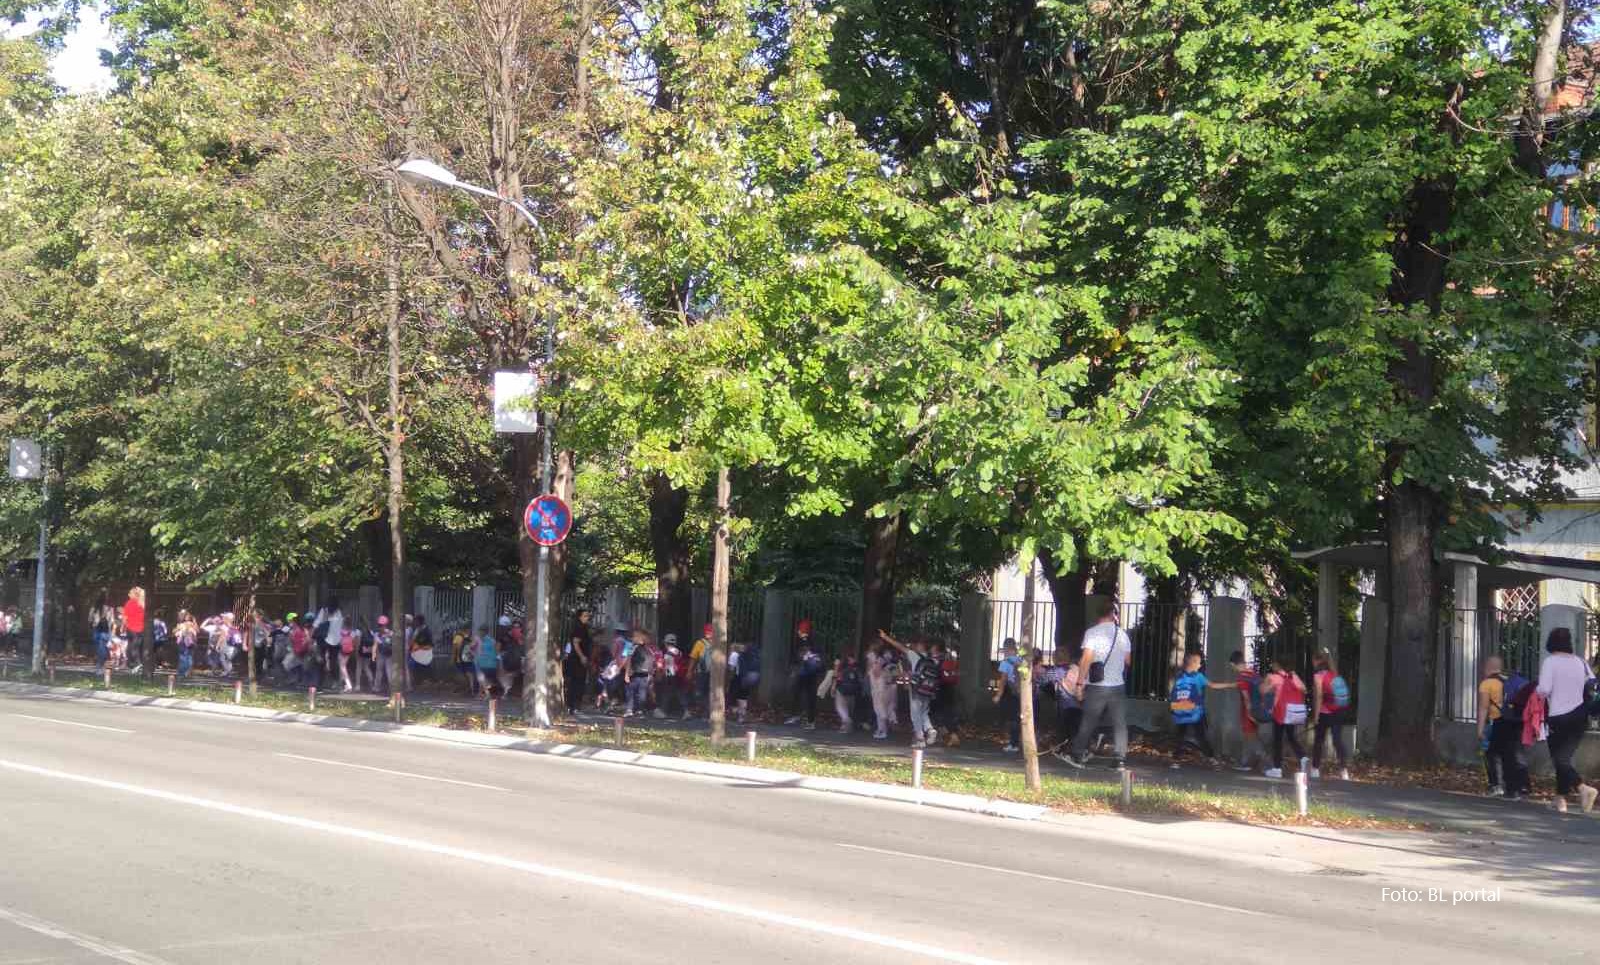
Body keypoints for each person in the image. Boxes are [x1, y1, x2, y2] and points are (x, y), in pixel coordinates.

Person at [1064, 601, 1132, 769]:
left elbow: (1087, 658)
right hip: (1117, 685)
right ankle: (1120, 759)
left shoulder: (1092, 633)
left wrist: (1080, 683)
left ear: (1098, 615)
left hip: (1097, 686)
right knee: (1119, 722)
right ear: (1113, 614)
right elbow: (1127, 660)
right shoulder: (1122, 635)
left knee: (1089, 720)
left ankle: (1077, 754)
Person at [1537, 627, 1597, 813]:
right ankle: (1560, 800)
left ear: (1550, 642)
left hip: (1559, 716)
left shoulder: (1550, 662)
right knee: (1564, 758)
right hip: (1580, 716)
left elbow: (1544, 689)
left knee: (1559, 759)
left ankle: (1583, 788)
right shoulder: (1581, 662)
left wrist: (1537, 691)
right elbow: (1592, 684)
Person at [1477, 655, 1530, 799]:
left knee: (1492, 753)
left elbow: (1483, 707)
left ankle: (1496, 785)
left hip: (1498, 722)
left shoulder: (1487, 684)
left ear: (1488, 667)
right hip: (1517, 721)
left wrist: (1480, 729)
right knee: (1516, 753)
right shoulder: (1510, 680)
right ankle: (1522, 786)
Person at [877, 630, 939, 748]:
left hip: (917, 689)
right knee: (924, 712)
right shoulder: (932, 659)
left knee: (915, 714)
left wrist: (885, 637)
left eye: (915, 644)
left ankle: (920, 739)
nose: (913, 646)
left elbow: (899, 646)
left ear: (919, 645)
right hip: (928, 690)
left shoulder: (915, 656)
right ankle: (930, 730)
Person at [1167, 650, 1230, 766]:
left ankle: (1175, 760)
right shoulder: (1198, 677)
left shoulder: (1180, 676)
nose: (1200, 665)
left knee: (1180, 736)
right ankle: (1212, 758)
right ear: (1193, 663)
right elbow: (1213, 685)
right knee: (1201, 736)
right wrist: (1231, 685)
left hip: (1181, 709)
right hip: (1195, 711)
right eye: (1199, 663)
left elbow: (1174, 695)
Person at [1260, 656, 1308, 779]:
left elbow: (1263, 691)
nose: (1272, 666)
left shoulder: (1273, 677)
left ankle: (1277, 769)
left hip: (1280, 713)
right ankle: (1303, 757)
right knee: (1291, 737)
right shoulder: (1293, 676)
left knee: (1277, 741)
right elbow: (1304, 689)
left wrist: (1266, 683)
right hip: (1292, 712)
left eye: (1273, 664)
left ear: (1277, 665)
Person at [1309, 650, 1352, 780]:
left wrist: (1316, 717)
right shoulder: (1334, 674)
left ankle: (1315, 769)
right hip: (1339, 711)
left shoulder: (1318, 676)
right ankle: (1344, 770)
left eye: (1313, 660)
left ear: (1317, 662)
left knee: (1319, 741)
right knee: (1337, 740)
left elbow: (1319, 697)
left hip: (1324, 712)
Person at [1228, 651, 1271, 772]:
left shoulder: (1242, 677)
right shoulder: (1253, 673)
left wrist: (1249, 713)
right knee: (1250, 737)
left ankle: (1267, 764)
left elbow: (1246, 697)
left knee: (1251, 737)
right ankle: (1246, 762)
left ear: (1233, 664)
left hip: (1249, 711)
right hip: (1259, 708)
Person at [786, 625, 824, 730]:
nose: (798, 631)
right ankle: (807, 719)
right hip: (807, 672)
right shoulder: (805, 640)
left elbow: (799, 656)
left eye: (800, 630)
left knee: (805, 696)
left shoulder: (805, 641)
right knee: (801, 694)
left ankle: (806, 719)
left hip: (807, 672)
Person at [991, 639, 1022, 753]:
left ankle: (1012, 743)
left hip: (1010, 692)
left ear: (1006, 649)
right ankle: (1016, 742)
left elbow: (1003, 680)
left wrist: (998, 695)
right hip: (1020, 693)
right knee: (1017, 718)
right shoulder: (1021, 660)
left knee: (1010, 718)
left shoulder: (1005, 662)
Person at [563, 610, 593, 715]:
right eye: (585, 616)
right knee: (576, 682)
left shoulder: (583, 628)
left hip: (578, 658)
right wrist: (582, 656)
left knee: (578, 682)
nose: (587, 617)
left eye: (588, 615)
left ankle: (573, 705)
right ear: (579, 617)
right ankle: (572, 706)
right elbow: (575, 643)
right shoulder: (579, 628)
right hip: (577, 660)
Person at [867, 642, 899, 739]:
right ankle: (890, 720)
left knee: (879, 707)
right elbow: (895, 673)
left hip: (879, 684)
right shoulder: (890, 656)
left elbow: (875, 671)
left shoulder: (874, 657)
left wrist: (873, 674)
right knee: (888, 705)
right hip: (890, 684)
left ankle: (882, 730)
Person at [624, 629, 657, 718]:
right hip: (636, 674)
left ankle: (638, 710)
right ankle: (630, 709)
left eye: (634, 637)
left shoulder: (647, 649)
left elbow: (651, 662)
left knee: (641, 693)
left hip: (642, 675)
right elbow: (629, 659)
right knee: (633, 692)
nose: (632, 638)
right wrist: (627, 673)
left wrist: (651, 674)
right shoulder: (635, 648)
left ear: (640, 638)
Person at [656, 633, 687, 719]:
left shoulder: (668, 654)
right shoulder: (679, 652)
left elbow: (668, 667)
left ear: (666, 643)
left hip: (671, 676)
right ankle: (686, 711)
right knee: (680, 694)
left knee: (666, 693)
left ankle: (663, 712)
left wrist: (662, 675)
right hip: (679, 675)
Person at [313, 597, 344, 683]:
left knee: (321, 660)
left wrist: (311, 635)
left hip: (324, 639)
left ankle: (320, 681)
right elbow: (340, 627)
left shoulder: (324, 611)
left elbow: (316, 624)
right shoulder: (339, 612)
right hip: (336, 641)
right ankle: (335, 681)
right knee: (333, 661)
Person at [832, 654, 864, 733]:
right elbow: (860, 680)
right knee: (849, 709)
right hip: (853, 691)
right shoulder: (857, 669)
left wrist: (833, 687)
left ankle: (846, 721)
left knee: (840, 708)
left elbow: (836, 677)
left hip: (842, 690)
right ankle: (845, 727)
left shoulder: (842, 668)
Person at [124, 587, 147, 676]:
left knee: (132, 648)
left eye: (130, 593)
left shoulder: (129, 603)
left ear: (134, 594)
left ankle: (137, 664)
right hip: (141, 629)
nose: (128, 595)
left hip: (131, 628)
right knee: (137, 647)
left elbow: (125, 618)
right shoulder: (142, 603)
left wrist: (124, 626)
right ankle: (136, 665)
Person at [473, 625, 502, 697]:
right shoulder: (492, 641)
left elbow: (472, 648)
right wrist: (498, 662)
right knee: (485, 679)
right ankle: (481, 693)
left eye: (480, 631)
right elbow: (497, 653)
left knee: (481, 679)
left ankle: (486, 694)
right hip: (492, 664)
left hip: (482, 663)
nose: (480, 632)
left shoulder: (478, 640)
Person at [174, 609, 198, 679]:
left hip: (188, 643)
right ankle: (184, 673)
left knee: (186, 658)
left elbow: (197, 630)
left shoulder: (189, 624)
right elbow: (175, 631)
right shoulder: (181, 624)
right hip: (184, 643)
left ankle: (183, 673)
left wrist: (193, 623)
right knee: (186, 658)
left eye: (183, 615)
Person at [91, 592, 113, 670]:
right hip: (105, 631)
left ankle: (100, 667)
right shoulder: (110, 608)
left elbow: (89, 619)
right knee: (103, 649)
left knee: (99, 649)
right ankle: (101, 666)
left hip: (96, 630)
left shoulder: (94, 608)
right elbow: (111, 622)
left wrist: (95, 620)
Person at [452, 625, 476, 693]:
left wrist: (453, 658)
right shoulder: (470, 638)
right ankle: (471, 689)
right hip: (468, 659)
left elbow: (454, 649)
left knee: (461, 674)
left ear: (461, 629)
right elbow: (473, 649)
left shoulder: (457, 637)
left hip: (459, 660)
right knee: (470, 674)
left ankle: (464, 688)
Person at [337, 623, 357, 692]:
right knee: (342, 667)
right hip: (348, 651)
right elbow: (354, 642)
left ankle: (348, 685)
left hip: (341, 650)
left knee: (342, 667)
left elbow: (338, 641)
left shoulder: (340, 631)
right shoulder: (352, 632)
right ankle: (345, 685)